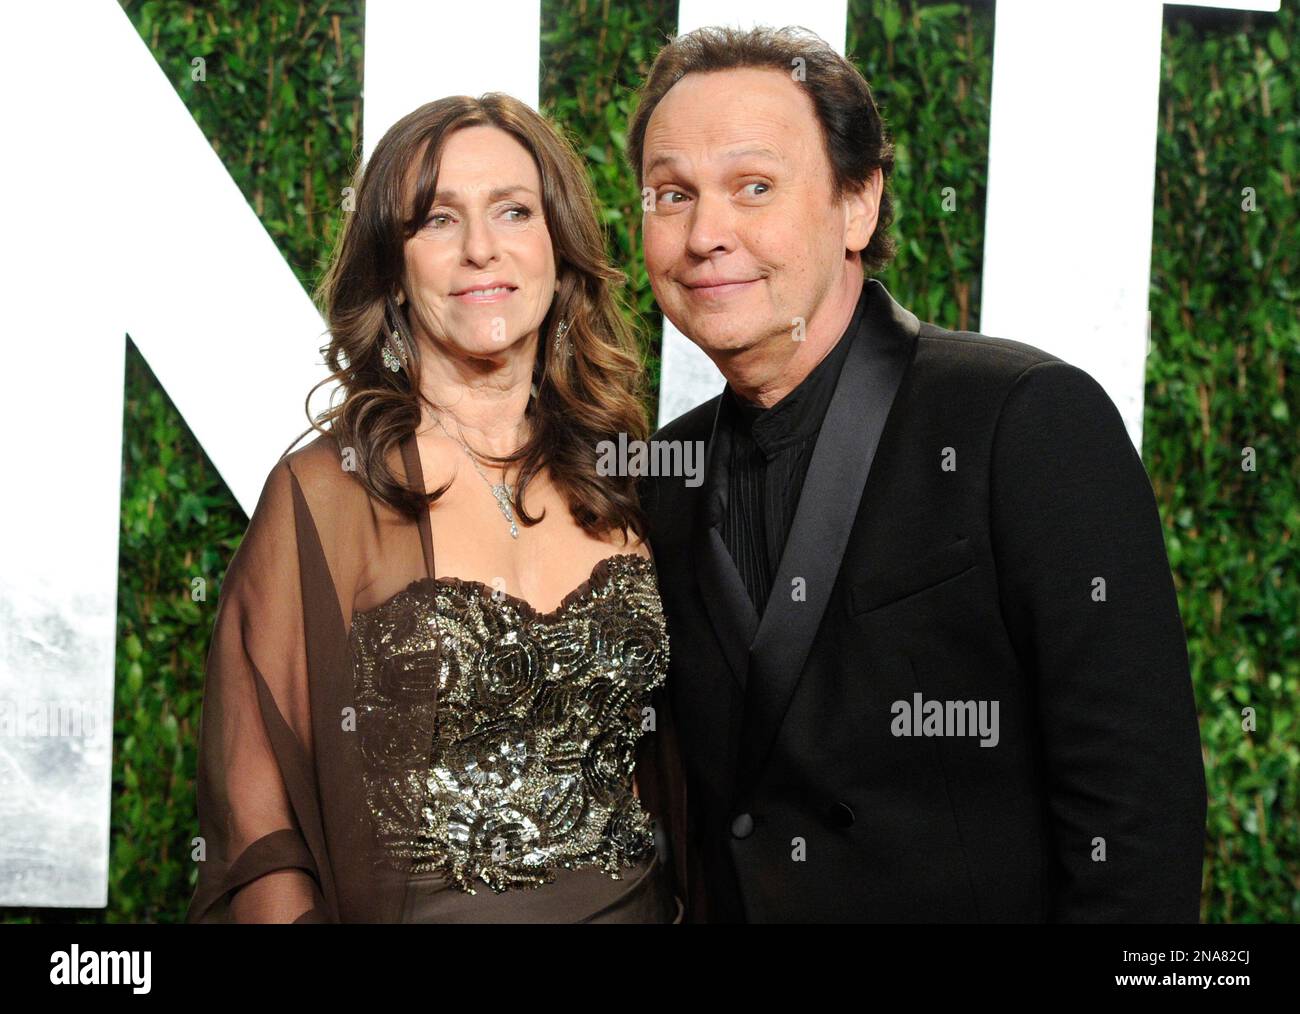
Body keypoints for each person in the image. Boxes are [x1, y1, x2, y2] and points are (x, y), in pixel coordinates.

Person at [630, 25, 1207, 923]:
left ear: (858, 205)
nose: (706, 234)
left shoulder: (1024, 419)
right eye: (672, 194)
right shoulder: (661, 481)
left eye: (754, 187)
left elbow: (1137, 822)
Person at [186, 93, 686, 923]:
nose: (481, 248)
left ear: (558, 250)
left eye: (513, 211)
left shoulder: (630, 480)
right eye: (437, 220)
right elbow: (257, 830)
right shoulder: (325, 495)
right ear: (394, 268)